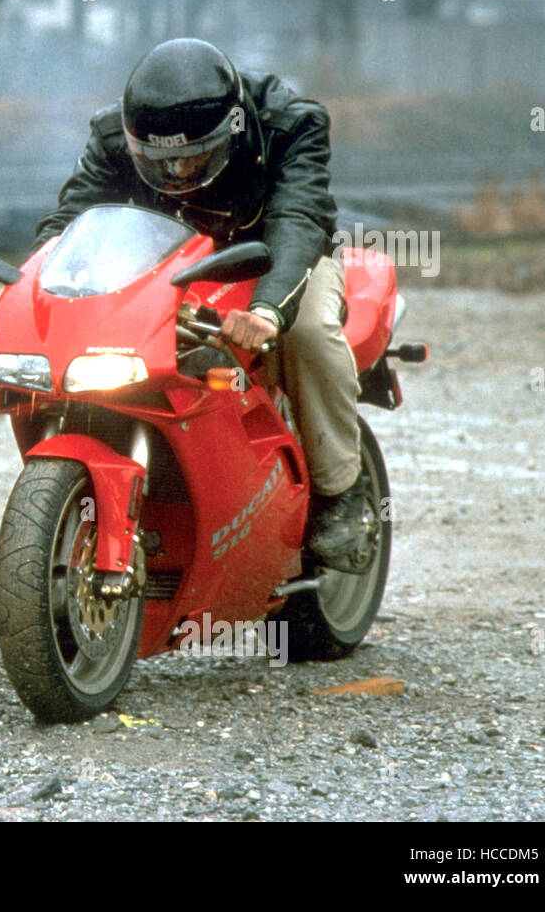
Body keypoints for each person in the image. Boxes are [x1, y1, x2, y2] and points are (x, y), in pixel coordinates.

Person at [36, 38, 368, 572]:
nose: (180, 174)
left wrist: (267, 311)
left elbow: (298, 221)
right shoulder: (111, 136)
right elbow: (71, 221)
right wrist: (34, 295)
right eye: (162, 161)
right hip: (173, 266)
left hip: (278, 260)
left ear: (233, 130)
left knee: (306, 334)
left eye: (195, 157)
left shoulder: (292, 124)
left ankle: (339, 495)